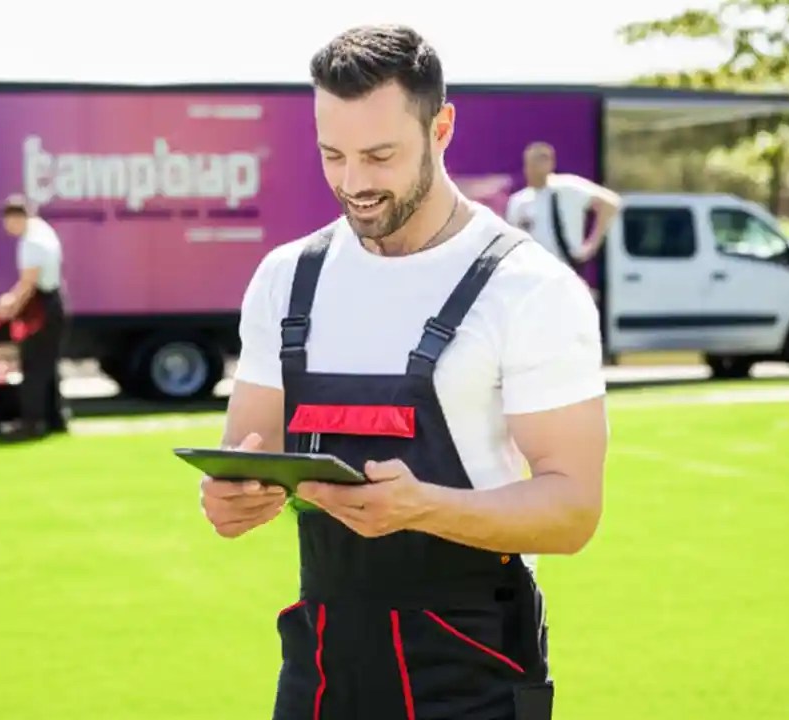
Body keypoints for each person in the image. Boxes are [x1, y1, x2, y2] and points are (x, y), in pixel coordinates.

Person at [198, 25, 608, 720]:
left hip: (472, 670)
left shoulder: (528, 287)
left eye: (380, 155)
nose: (354, 183)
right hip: (320, 668)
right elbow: (251, 450)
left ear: (441, 126)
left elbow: (572, 512)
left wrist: (424, 508)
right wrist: (231, 497)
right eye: (333, 154)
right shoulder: (286, 280)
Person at [0, 194, 68, 442]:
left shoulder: (31, 241)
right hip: (54, 301)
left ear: (17, 218)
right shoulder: (43, 230)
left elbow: (28, 282)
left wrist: (10, 304)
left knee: (33, 365)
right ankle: (55, 419)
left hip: (42, 305)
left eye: (7, 221)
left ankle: (31, 423)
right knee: (48, 364)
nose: (7, 228)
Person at [504, 142, 621, 282]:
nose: (537, 168)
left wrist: (591, 245)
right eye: (533, 163)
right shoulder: (518, 201)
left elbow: (611, 204)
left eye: (543, 161)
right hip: (533, 273)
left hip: (565, 270)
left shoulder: (567, 187)